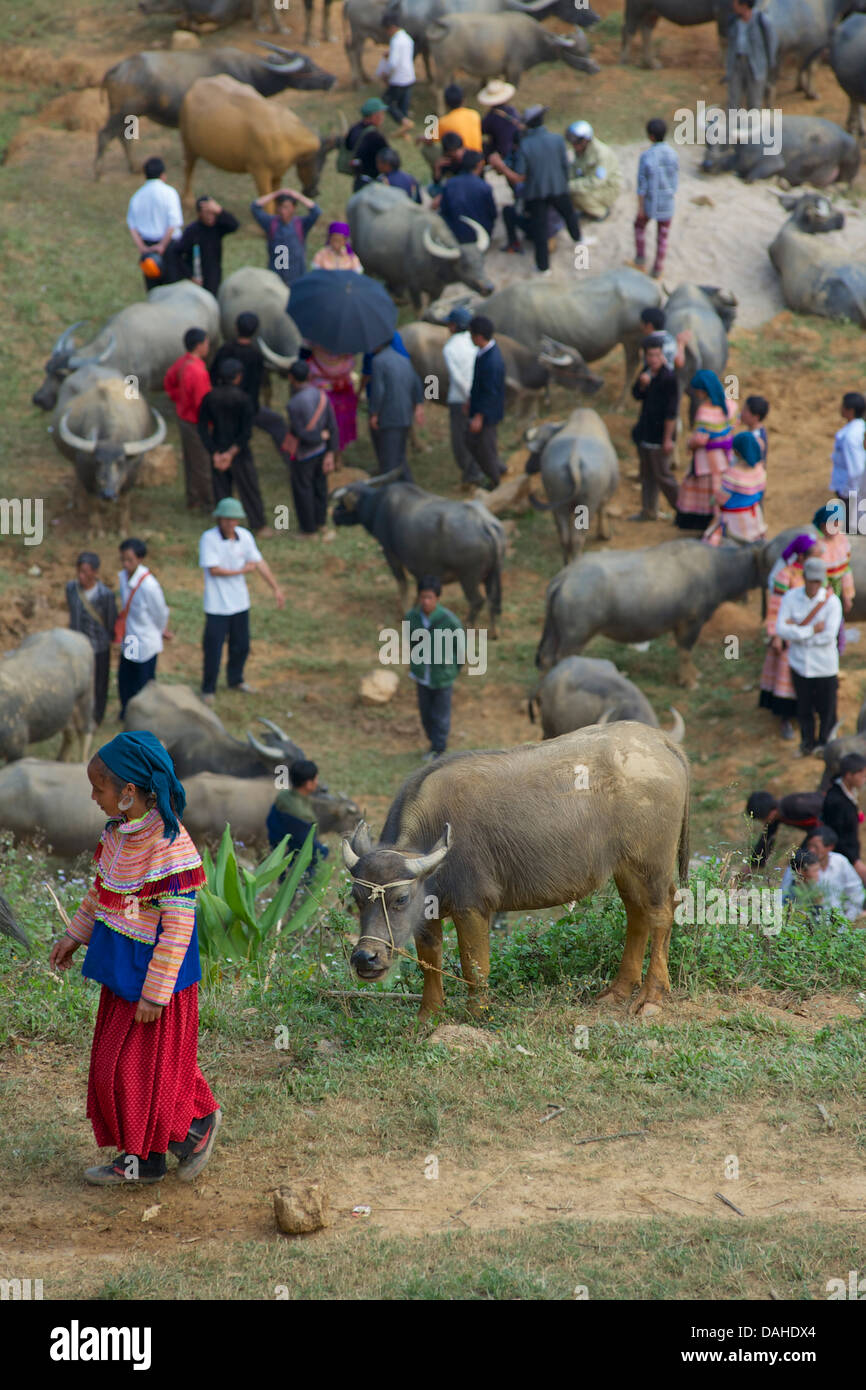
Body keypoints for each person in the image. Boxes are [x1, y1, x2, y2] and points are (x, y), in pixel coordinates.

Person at [49, 732, 220, 1186]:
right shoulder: (118, 836)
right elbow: (101, 892)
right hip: (122, 975)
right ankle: (145, 1159)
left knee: (142, 1071)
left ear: (128, 794)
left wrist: (156, 994)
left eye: (99, 789)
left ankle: (193, 1128)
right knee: (119, 1070)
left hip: (158, 983)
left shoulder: (170, 849)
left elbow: (179, 928)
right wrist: (74, 935)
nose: (92, 797)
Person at [199, 498, 285, 701]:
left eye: (234, 520)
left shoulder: (245, 537)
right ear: (220, 519)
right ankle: (208, 688)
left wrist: (276, 588)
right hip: (217, 605)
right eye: (227, 520)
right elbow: (214, 569)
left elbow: (259, 562)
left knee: (242, 645)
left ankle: (235, 679)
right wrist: (242, 570)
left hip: (239, 603)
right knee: (213, 648)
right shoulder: (209, 539)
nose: (231, 524)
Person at [760, 533, 825, 742]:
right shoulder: (785, 576)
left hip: (812, 638)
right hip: (790, 636)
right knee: (786, 679)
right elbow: (776, 607)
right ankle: (785, 718)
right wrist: (776, 635)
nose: (819, 557)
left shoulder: (818, 574)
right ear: (802, 557)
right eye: (814, 554)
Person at [776, 557, 842, 757]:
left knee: (827, 710)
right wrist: (811, 630)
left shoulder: (832, 603)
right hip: (800, 666)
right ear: (803, 577)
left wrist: (797, 631)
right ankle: (807, 744)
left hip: (824, 667)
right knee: (804, 709)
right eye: (810, 580)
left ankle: (825, 745)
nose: (813, 585)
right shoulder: (790, 598)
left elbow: (829, 636)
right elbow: (781, 629)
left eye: (817, 581)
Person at [510, 105, 583, 274]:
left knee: (540, 230)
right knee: (569, 214)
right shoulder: (557, 139)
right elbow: (565, 165)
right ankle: (578, 240)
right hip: (558, 187)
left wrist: (502, 166)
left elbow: (520, 175)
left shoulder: (525, 145)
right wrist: (563, 183)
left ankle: (543, 267)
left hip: (536, 193)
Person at [198, 358, 268, 534]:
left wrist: (214, 452)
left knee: (221, 492)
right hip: (239, 452)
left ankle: (223, 527)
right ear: (238, 377)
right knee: (249, 489)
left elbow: (202, 428)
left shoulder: (209, 397)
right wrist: (231, 453)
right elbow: (246, 432)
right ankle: (259, 525)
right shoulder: (244, 399)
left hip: (218, 448)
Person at [407, 576, 464, 759]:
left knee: (440, 715)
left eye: (429, 597)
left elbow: (461, 650)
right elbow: (412, 644)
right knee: (426, 714)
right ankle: (433, 744)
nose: (425, 601)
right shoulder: (412, 618)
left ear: (437, 598)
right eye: (422, 597)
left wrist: (452, 669)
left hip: (442, 676)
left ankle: (439, 750)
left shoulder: (449, 621)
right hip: (422, 674)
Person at [675, 370, 736, 531]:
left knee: (700, 489)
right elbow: (733, 427)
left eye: (697, 391)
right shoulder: (730, 404)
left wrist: (689, 444)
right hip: (725, 457)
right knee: (720, 487)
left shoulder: (704, 412)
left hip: (707, 458)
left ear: (703, 391)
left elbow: (699, 440)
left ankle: (701, 523)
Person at [116, 538, 170, 719]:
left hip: (146, 641)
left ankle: (145, 717)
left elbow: (160, 612)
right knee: (126, 678)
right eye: (123, 559)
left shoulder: (149, 586)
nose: (125, 564)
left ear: (139, 559)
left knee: (144, 682)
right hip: (131, 637)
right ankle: (126, 712)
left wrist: (161, 629)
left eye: (129, 560)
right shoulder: (123, 577)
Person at [285, 359, 339, 535]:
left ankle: (308, 530)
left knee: (303, 490)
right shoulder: (322, 396)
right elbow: (332, 426)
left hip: (304, 454)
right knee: (320, 488)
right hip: (322, 451)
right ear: (309, 376)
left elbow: (301, 433)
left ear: (291, 378)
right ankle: (321, 523)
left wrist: (317, 437)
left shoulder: (293, 404)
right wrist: (330, 451)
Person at [630, 334, 680, 521]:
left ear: (662, 356)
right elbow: (636, 395)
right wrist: (642, 386)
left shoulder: (669, 378)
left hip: (660, 437)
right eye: (650, 356)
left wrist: (668, 439)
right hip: (645, 433)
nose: (653, 360)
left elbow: (671, 412)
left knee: (664, 477)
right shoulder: (647, 373)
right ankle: (648, 511)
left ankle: (683, 511)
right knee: (647, 475)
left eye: (656, 355)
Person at [66, 552, 118, 731]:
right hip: (76, 647)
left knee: (99, 684)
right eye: (79, 571)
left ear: (95, 573)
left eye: (85, 572)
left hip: (98, 647)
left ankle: (96, 717)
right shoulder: (71, 589)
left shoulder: (105, 595)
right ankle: (77, 716)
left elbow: (111, 621)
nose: (81, 576)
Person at [164, 327, 214, 511]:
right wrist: (211, 424)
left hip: (184, 418)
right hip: (196, 423)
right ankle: (207, 501)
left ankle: (193, 498)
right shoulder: (198, 372)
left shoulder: (182, 363)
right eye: (207, 343)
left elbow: (168, 382)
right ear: (199, 346)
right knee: (202, 463)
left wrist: (178, 398)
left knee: (191, 461)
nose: (208, 346)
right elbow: (203, 404)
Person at [782, 825, 864, 923]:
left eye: (816, 847)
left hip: (838, 922)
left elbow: (855, 892)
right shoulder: (798, 864)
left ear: (830, 847)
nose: (811, 850)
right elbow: (783, 898)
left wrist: (849, 919)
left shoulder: (840, 862)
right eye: (809, 845)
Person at [369, 338, 424, 480]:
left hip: (389, 416)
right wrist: (418, 405)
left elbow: (378, 391)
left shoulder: (378, 361)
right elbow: (417, 383)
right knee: (400, 457)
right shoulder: (403, 359)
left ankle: (393, 495)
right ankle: (409, 489)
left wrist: (374, 413)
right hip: (405, 415)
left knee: (389, 463)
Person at [126, 156, 183, 292]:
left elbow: (132, 226)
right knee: (172, 291)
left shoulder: (137, 196)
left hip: (148, 250)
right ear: (163, 175)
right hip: (169, 248)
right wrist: (162, 245)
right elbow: (173, 223)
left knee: (153, 291)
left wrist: (142, 247)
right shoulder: (169, 193)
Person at [442, 306, 483, 486]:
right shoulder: (475, 343)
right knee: (477, 435)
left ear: (453, 326)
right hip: (478, 396)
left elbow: (457, 376)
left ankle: (470, 474)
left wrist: (468, 396)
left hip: (460, 399)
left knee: (460, 439)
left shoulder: (450, 347)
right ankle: (479, 469)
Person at [267, 759, 330, 875]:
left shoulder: (283, 797)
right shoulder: (301, 815)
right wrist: (324, 851)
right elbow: (308, 846)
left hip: (281, 856)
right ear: (309, 784)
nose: (317, 782)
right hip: (297, 868)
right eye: (316, 779)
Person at [704, 430, 767, 546]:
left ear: (737, 452)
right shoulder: (760, 470)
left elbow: (720, 499)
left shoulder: (732, 474)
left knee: (713, 543)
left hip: (734, 521)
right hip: (754, 517)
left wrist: (712, 500)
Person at [250, 188, 321, 289]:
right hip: (275, 278)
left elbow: (316, 211)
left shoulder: (301, 224)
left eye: (286, 207)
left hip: (297, 277)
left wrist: (298, 196)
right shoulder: (271, 223)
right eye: (280, 207)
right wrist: (275, 194)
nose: (283, 211)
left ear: (293, 208)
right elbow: (254, 207)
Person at [635, 118, 678, 279]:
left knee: (639, 226)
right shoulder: (673, 154)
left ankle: (640, 260)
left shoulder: (646, 156)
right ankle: (658, 268)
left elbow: (642, 186)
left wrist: (640, 208)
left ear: (651, 136)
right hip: (667, 203)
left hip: (650, 203)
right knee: (663, 236)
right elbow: (674, 179)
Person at [465, 315, 506, 488]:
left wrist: (479, 416)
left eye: (471, 335)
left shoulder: (492, 361)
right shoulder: (484, 353)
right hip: (480, 408)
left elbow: (490, 392)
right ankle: (497, 469)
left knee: (485, 448)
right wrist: (470, 401)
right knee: (474, 442)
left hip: (487, 413)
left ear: (479, 337)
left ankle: (496, 481)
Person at [745, 787, 825, 868]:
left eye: (762, 819)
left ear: (771, 812)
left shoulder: (796, 804)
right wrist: (753, 865)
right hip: (819, 832)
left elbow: (826, 809)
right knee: (799, 860)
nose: (763, 822)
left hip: (830, 827)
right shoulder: (776, 817)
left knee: (803, 859)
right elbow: (766, 841)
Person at [305, 343, 357, 465]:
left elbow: (309, 371)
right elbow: (351, 366)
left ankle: (326, 457)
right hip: (343, 396)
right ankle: (338, 458)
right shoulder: (347, 356)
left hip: (322, 397)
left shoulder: (315, 352)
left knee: (324, 427)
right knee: (341, 428)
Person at [176, 196, 238, 296]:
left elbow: (234, 225)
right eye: (207, 213)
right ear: (199, 214)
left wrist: (219, 210)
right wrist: (190, 276)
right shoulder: (192, 230)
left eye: (213, 213)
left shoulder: (217, 227)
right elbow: (177, 254)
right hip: (197, 278)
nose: (210, 217)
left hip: (214, 276)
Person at [565, 120, 623, 221]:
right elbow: (574, 169)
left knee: (578, 195)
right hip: (592, 184)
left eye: (576, 141)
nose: (573, 144)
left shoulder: (601, 154)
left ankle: (600, 212)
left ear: (585, 140)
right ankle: (587, 208)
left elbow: (596, 181)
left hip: (608, 188)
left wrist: (569, 185)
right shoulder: (580, 151)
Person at [822, 752, 866, 883]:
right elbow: (837, 836)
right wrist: (855, 861)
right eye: (862, 776)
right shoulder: (837, 802)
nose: (864, 779)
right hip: (841, 857)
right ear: (849, 775)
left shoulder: (848, 791)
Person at [438, 150, 497, 244]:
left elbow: (443, 212)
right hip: (480, 236)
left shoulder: (449, 184)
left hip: (455, 236)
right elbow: (493, 214)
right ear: (479, 165)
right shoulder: (484, 187)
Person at [727, 0, 777, 110]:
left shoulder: (762, 20)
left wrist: (769, 65)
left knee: (754, 103)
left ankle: (752, 126)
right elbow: (730, 46)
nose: (733, 5)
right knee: (733, 101)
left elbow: (771, 44)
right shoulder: (733, 21)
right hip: (737, 63)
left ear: (744, 5)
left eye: (735, 3)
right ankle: (731, 126)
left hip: (756, 65)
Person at [212, 313, 265, 415]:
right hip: (244, 406)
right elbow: (255, 385)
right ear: (255, 331)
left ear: (235, 327)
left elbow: (213, 375)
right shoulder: (256, 355)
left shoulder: (225, 349)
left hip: (222, 402)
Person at [830, 391, 866, 531]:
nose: (840, 409)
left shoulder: (850, 436)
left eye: (842, 406)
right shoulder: (859, 428)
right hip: (852, 490)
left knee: (850, 530)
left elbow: (856, 469)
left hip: (849, 491)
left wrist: (850, 494)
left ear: (850, 410)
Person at [376, 13, 415, 135]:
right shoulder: (407, 38)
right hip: (409, 76)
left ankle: (404, 122)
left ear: (392, 27)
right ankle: (405, 132)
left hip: (398, 78)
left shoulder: (395, 41)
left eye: (387, 29)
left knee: (386, 102)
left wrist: (386, 75)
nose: (387, 32)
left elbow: (393, 63)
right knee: (403, 105)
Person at [346, 97, 390, 191]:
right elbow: (389, 157)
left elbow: (348, 146)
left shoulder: (354, 129)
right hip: (375, 184)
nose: (383, 117)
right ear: (374, 116)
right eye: (381, 114)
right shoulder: (376, 137)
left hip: (359, 182)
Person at [478, 80, 522, 161]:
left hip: (501, 153)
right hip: (515, 149)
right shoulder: (512, 111)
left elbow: (480, 130)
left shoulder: (491, 117)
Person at [639, 307, 688, 375]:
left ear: (649, 326)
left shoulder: (648, 342)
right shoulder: (671, 338)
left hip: (653, 379)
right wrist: (681, 344)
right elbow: (679, 362)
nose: (640, 327)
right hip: (668, 379)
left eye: (642, 323)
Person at [437, 84, 483, 153]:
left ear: (446, 103)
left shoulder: (443, 122)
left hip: (458, 161)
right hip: (478, 159)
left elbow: (430, 140)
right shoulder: (475, 115)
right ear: (463, 100)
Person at [782, 847, 824, 922]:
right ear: (800, 871)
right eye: (815, 871)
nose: (818, 875)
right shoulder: (787, 893)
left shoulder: (816, 891)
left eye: (818, 870)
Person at [740, 394, 769, 465]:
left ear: (756, 416)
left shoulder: (754, 438)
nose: (741, 413)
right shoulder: (760, 431)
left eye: (745, 410)